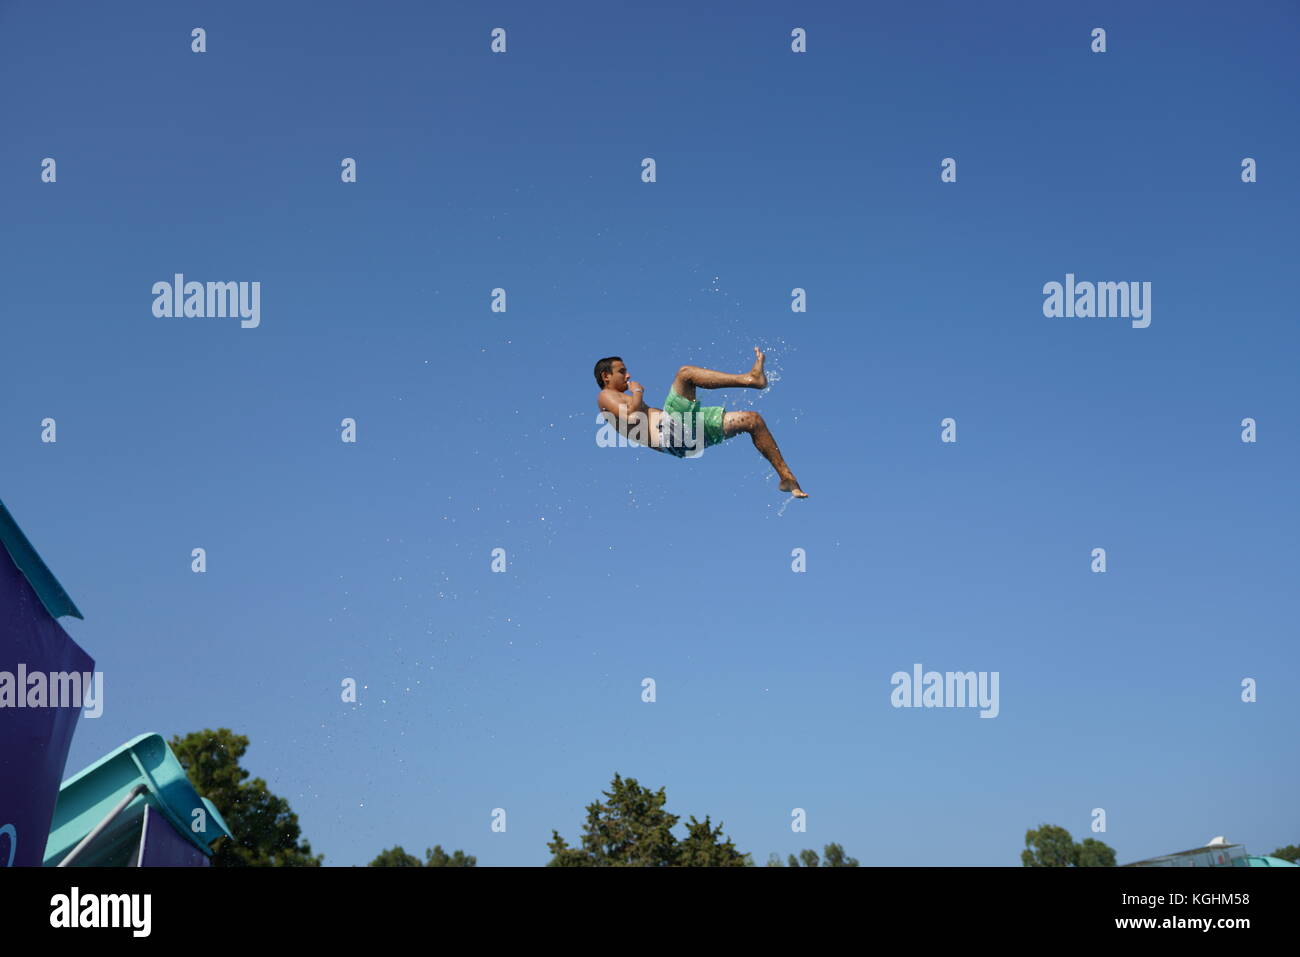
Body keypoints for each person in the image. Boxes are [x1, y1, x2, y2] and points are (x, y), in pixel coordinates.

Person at [595, 349, 807, 497]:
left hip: (685, 437)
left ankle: (787, 478)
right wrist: (638, 391)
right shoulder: (605, 396)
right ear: (606, 376)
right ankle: (751, 378)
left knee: (753, 420)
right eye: (622, 371)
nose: (628, 374)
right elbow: (632, 416)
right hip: (670, 435)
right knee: (685, 374)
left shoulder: (618, 396)